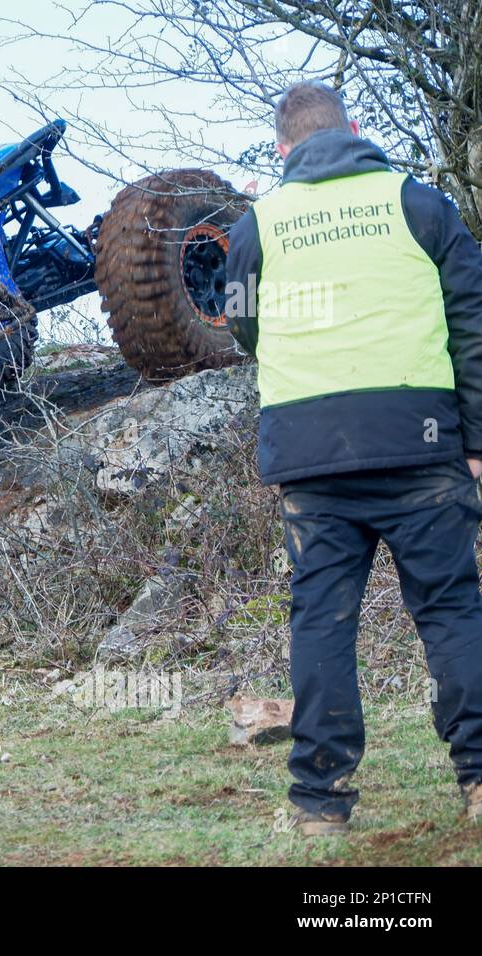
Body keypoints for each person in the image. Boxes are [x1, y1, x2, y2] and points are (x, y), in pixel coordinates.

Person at [226, 80, 482, 835]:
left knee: (322, 622)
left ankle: (318, 805)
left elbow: (240, 325)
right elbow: (472, 324)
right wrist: (477, 442)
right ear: (356, 128)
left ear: (282, 149)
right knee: (450, 610)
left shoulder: (258, 224)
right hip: (421, 444)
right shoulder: (420, 204)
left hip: (311, 457)